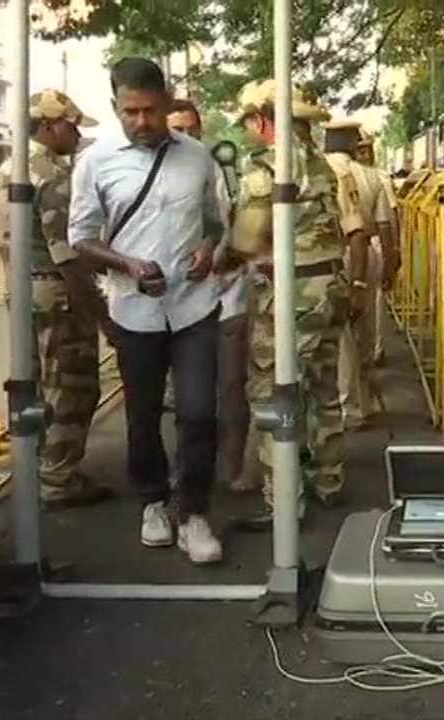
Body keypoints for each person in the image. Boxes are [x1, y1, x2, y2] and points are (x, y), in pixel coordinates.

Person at [68, 58, 225, 565]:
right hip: (134, 310)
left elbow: (216, 220)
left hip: (194, 305)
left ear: (167, 102)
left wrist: (208, 247)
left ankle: (194, 511)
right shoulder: (95, 162)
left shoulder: (198, 157)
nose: (141, 121)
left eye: (151, 111)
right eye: (130, 112)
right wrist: (128, 264)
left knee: (198, 412)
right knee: (142, 413)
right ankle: (153, 501)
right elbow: (80, 237)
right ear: (115, 106)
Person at [228, 79, 365, 518]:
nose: (247, 130)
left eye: (248, 122)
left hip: (293, 293)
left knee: (274, 391)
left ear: (262, 120)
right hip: (332, 285)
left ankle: (283, 499)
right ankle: (328, 479)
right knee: (324, 388)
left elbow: (246, 239)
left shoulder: (266, 167)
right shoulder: (325, 165)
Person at [0, 90, 112, 510]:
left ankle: (37, 468)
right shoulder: (52, 175)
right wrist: (101, 314)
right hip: (56, 292)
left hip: (20, 290)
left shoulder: (3, 172)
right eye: (71, 125)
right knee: (72, 385)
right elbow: (69, 256)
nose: (76, 134)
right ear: (48, 126)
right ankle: (58, 478)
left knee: (34, 384)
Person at [165, 99, 249, 490]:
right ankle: (188, 470)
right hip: (174, 302)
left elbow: (242, 228)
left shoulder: (223, 171)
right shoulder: (151, 174)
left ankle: (232, 470)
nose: (186, 136)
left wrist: (227, 262)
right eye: (177, 129)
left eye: (191, 128)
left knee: (232, 386)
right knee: (189, 397)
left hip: (227, 293)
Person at [326, 120, 388, 430]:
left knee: (341, 337)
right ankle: (365, 399)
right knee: (364, 329)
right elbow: (385, 223)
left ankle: (348, 406)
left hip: (335, 254)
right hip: (368, 253)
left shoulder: (321, 170)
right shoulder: (372, 175)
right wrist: (390, 262)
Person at [356, 129, 401, 365]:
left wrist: (394, 250)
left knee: (377, 299)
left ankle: (377, 349)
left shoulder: (381, 177)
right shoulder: (351, 175)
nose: (365, 155)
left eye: (368, 150)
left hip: (375, 241)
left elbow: (392, 216)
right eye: (360, 150)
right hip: (360, 242)